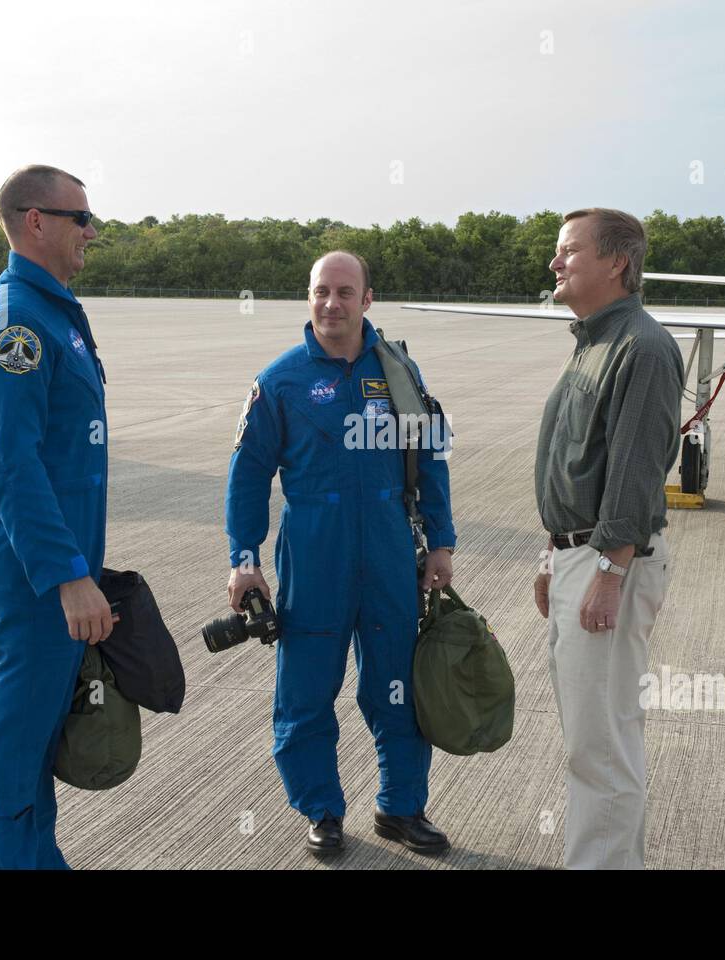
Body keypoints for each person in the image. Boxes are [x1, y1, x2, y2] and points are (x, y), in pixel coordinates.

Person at [225, 251, 457, 854]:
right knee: (304, 694)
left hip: (388, 555)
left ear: (367, 299)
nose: (332, 303)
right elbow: (248, 476)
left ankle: (401, 809)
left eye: (344, 292)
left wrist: (442, 542)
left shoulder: (400, 373)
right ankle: (322, 810)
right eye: (321, 291)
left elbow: (430, 459)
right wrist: (244, 557)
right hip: (314, 555)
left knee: (398, 688)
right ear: (309, 298)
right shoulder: (280, 381)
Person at [0, 164, 111, 869]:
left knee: (36, 743)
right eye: (81, 218)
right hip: (35, 575)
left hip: (55, 565)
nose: (92, 231)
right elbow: (13, 466)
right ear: (35, 222)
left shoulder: (50, 310)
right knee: (16, 745)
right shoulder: (17, 322)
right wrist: (65, 576)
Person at [533, 208, 685, 870]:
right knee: (591, 743)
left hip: (607, 561)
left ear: (617, 263)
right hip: (580, 557)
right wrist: (551, 555)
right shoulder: (594, 341)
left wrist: (611, 572)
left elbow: (634, 471)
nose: (554, 263)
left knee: (603, 747)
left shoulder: (642, 349)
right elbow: (579, 464)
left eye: (569, 251)